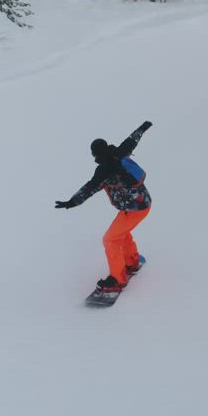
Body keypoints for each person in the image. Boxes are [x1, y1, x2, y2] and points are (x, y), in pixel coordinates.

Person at [56, 121, 153, 294]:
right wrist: (143, 128)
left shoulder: (103, 171)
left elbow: (89, 188)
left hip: (134, 209)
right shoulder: (118, 152)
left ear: (95, 154)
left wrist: (71, 202)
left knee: (110, 240)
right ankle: (132, 261)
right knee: (120, 234)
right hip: (142, 203)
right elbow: (132, 140)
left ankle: (117, 279)